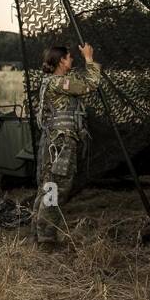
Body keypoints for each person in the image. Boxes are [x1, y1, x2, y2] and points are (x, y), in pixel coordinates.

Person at [33, 42, 101, 248]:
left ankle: (38, 233)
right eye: (70, 57)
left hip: (53, 142)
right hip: (61, 144)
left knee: (47, 187)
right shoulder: (58, 83)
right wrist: (89, 59)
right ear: (61, 61)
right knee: (56, 188)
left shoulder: (49, 81)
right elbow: (91, 84)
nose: (72, 60)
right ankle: (47, 240)